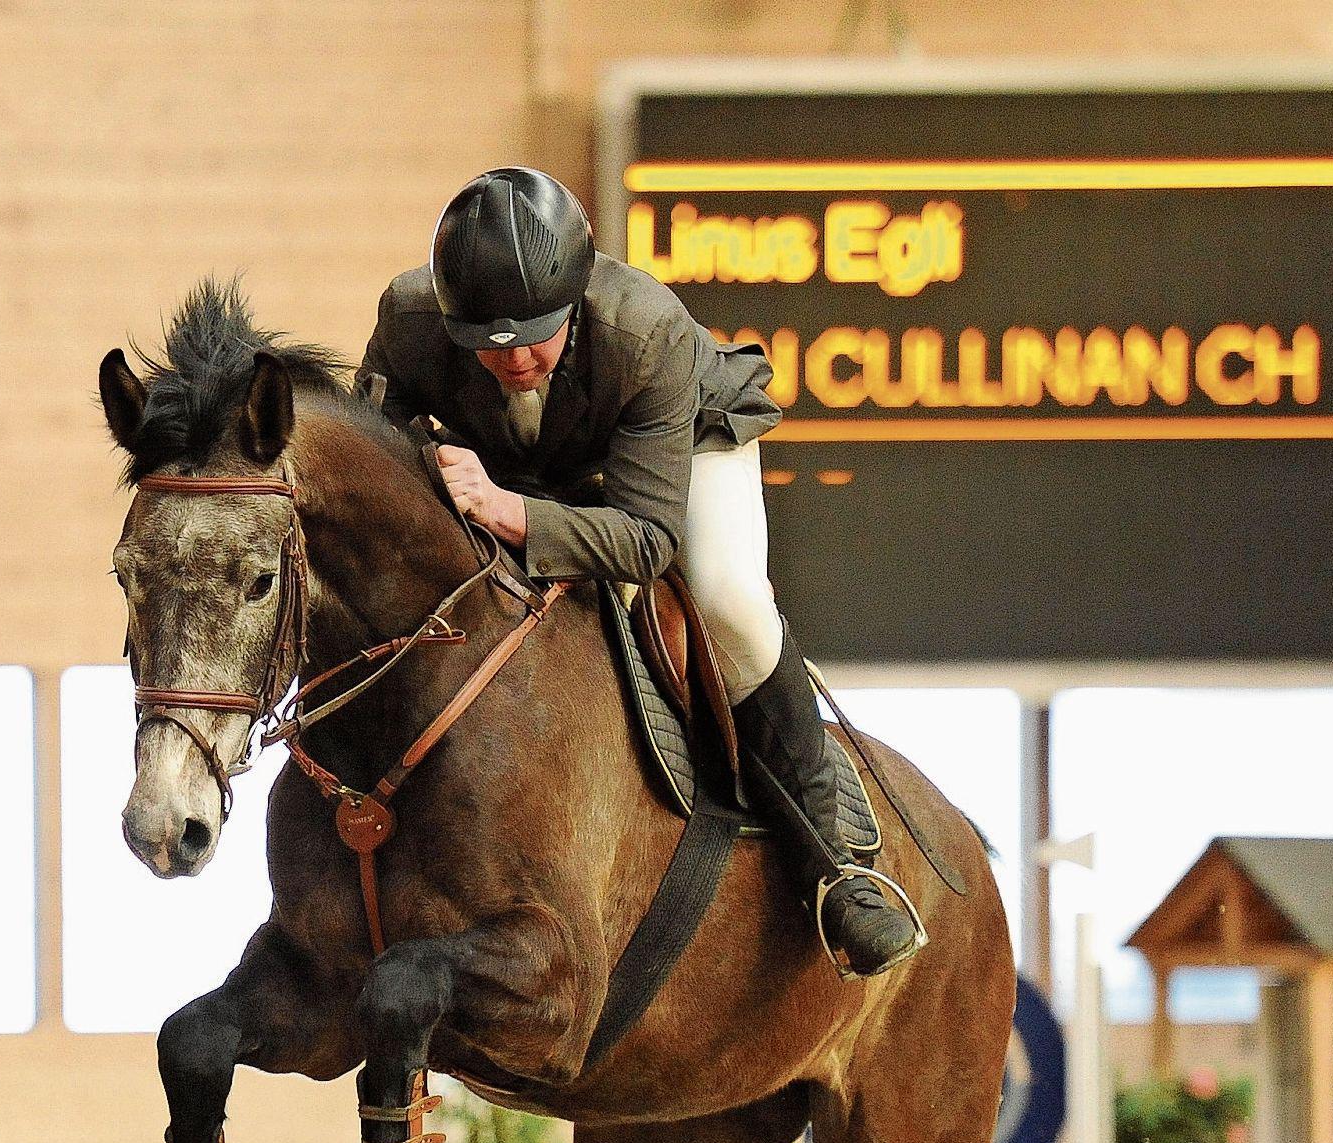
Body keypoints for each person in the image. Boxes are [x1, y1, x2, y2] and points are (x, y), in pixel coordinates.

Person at [357, 165, 921, 978]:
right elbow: (378, 441)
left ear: (575, 298)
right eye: (486, 344)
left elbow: (648, 539)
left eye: (534, 336)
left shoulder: (643, 329)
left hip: (685, 443)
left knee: (728, 601)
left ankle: (836, 868)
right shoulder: (412, 319)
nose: (512, 359)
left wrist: (507, 509)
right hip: (528, 467)